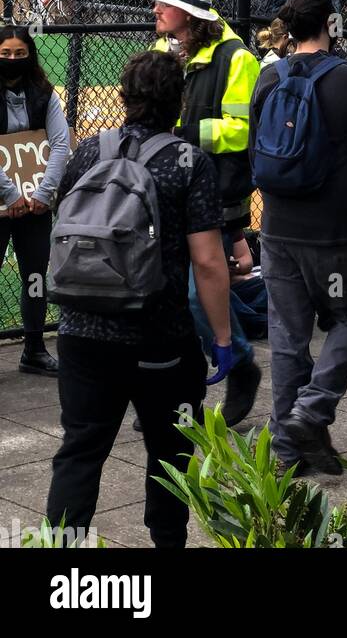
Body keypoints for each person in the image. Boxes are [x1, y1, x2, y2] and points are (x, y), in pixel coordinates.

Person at [46, 50, 230, 549]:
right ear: (180, 100)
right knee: (169, 453)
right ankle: (167, 543)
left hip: (82, 330)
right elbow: (209, 262)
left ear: (124, 97)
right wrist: (222, 337)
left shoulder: (88, 152)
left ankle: (63, 554)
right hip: (160, 338)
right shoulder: (189, 161)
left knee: (80, 449)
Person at [251, 0, 347, 474]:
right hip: (332, 231)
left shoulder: (269, 76)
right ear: (331, 23)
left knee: (287, 337)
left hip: (277, 227)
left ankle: (291, 449)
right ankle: (313, 408)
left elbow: (253, 155)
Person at [149, 0, 262, 426]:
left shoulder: (238, 59)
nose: (155, 11)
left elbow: (243, 131)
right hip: (168, 186)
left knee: (199, 295)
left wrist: (182, 135)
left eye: (164, 5)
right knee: (169, 293)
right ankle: (182, 391)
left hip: (214, 192)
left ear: (189, 14)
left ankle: (240, 364)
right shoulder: (164, 50)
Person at [0, 27, 71, 374]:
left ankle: (33, 348)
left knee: (34, 276)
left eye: (19, 53)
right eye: (5, 53)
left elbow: (60, 143)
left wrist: (44, 193)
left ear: (30, 55)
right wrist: (9, 193)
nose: (12, 60)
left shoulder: (43, 93)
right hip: (6, 201)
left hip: (34, 206)